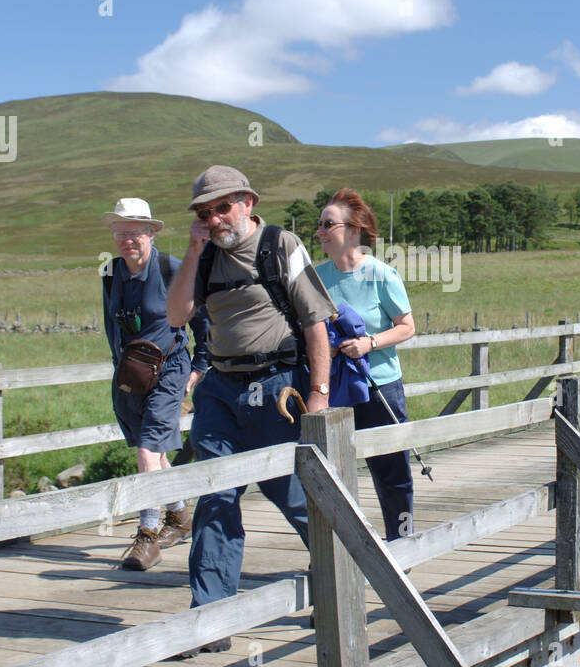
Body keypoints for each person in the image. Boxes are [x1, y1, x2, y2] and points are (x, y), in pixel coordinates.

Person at [165, 166, 335, 633]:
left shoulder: (281, 245)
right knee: (215, 495)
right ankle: (211, 616)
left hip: (279, 386)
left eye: (223, 207)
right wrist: (194, 248)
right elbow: (178, 315)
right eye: (205, 212)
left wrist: (318, 397)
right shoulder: (203, 255)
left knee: (297, 497)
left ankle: (341, 582)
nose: (216, 219)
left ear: (248, 203)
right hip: (220, 391)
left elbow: (315, 321)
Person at [314, 188, 417, 540]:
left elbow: (407, 327)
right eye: (320, 225)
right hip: (332, 389)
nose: (320, 232)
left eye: (328, 224)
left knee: (391, 471)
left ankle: (402, 544)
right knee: (333, 472)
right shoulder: (315, 278)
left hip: (380, 386)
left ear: (354, 230)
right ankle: (337, 551)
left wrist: (368, 343)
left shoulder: (382, 274)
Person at [100, 198, 194, 570]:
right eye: (120, 233)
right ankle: (181, 515)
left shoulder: (172, 269)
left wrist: (197, 368)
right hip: (132, 373)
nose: (127, 241)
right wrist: (118, 369)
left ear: (151, 232)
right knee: (155, 454)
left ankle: (148, 536)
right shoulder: (110, 273)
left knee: (145, 453)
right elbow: (111, 325)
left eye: (135, 233)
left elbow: (198, 322)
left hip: (170, 369)